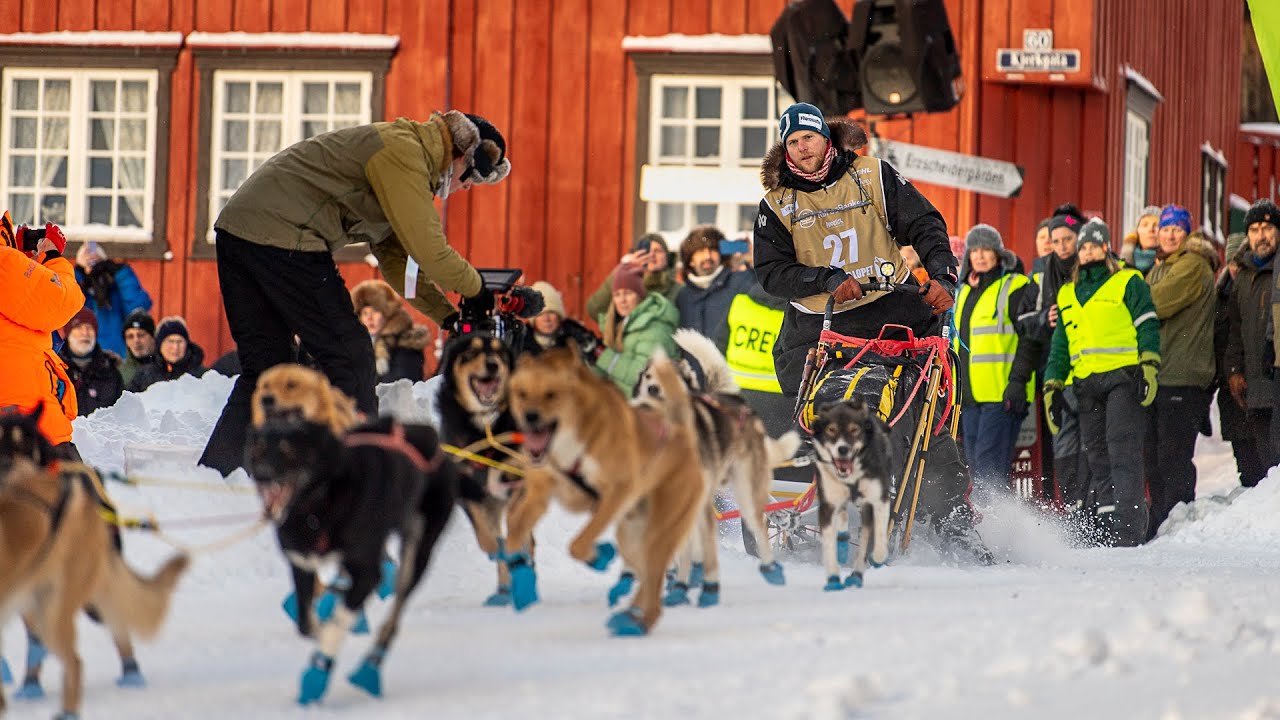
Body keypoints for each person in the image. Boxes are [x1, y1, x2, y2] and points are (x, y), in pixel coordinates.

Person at [198, 111, 511, 475]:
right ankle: (358, 474)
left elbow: (399, 264)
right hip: (286, 235)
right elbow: (430, 249)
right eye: (470, 178)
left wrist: (450, 316)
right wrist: (478, 291)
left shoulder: (403, 158)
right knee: (350, 355)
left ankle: (219, 473)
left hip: (240, 232)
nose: (466, 187)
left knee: (268, 366)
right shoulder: (403, 153)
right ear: (463, 154)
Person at [753, 103, 991, 561]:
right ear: (785, 150)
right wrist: (823, 279)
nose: (803, 148)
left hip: (891, 311)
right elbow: (770, 271)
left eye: (809, 137)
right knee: (824, 414)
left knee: (924, 417)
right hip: (819, 325)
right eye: (793, 142)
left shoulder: (873, 175)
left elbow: (925, 224)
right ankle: (829, 504)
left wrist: (942, 276)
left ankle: (949, 519)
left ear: (826, 137)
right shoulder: (776, 203)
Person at [1042, 218, 1159, 546]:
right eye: (1084, 246)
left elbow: (1147, 323)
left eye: (1094, 244)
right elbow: (1061, 345)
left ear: (1106, 247)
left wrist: (1150, 364)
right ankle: (1108, 526)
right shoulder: (1067, 292)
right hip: (1086, 383)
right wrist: (1052, 384)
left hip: (1123, 377)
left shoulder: (1127, 281)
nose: (1089, 250)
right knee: (1096, 454)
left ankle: (1129, 526)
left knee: (1122, 449)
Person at [1142, 204, 1218, 536]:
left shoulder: (1192, 264)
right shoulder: (1162, 266)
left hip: (1183, 373)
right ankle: (1162, 520)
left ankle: (1178, 519)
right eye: (1166, 228)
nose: (1170, 234)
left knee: (1173, 457)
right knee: (1155, 456)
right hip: (1163, 373)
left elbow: (1151, 303)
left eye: (1177, 228)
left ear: (1188, 233)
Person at [953, 224, 1038, 496]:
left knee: (990, 467)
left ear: (998, 254)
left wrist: (1017, 383)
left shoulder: (1014, 287)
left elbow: (1028, 339)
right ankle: (984, 525)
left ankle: (996, 527)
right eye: (975, 250)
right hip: (969, 396)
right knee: (975, 467)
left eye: (986, 250)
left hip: (1001, 395)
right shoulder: (964, 291)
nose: (980, 256)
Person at [0, 211, 82, 449]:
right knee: (75, 484)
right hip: (26, 426)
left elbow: (20, 300)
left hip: (15, 421)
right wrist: (51, 256)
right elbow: (61, 301)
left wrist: (25, 260)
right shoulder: (4, 262)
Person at [1228, 200, 1280, 475]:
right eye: (1255, 229)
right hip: (1254, 383)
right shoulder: (1243, 276)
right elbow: (1234, 330)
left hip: (1276, 377)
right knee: (1264, 463)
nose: (1261, 235)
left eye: (1268, 228)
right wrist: (1234, 370)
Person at [1214, 233, 1266, 486]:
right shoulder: (1220, 295)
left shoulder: (1256, 289)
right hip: (1230, 386)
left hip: (1256, 381)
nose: (1235, 268)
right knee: (1244, 462)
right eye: (1232, 263)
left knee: (1263, 459)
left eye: (1239, 262)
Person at [595, 262, 678, 392]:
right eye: (617, 294)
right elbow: (608, 373)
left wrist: (602, 355)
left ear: (640, 296)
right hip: (621, 403)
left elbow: (643, 376)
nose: (622, 300)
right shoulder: (617, 325)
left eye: (628, 293)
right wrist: (590, 354)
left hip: (647, 407)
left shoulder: (655, 327)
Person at [674, 225, 755, 353]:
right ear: (690, 260)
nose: (708, 256)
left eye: (712, 250)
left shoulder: (738, 282)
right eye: (700, 251)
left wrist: (753, 262)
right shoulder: (682, 296)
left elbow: (766, 291)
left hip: (725, 370)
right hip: (690, 371)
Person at [73, 241, 153, 357]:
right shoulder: (79, 291)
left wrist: (121, 274)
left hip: (117, 357)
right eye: (87, 262)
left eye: (96, 262)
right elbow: (62, 305)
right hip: (82, 357)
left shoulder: (116, 291)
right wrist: (78, 276)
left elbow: (139, 307)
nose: (92, 268)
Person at [585, 232, 682, 321]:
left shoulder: (679, 291)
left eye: (657, 251)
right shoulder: (626, 288)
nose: (651, 255)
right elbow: (595, 309)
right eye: (646, 252)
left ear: (667, 257)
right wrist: (623, 270)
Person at [351, 279, 430, 384]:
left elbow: (401, 387)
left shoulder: (406, 345)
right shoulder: (357, 346)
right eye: (365, 313)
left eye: (375, 311)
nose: (369, 318)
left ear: (387, 313)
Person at [57, 307, 124, 416]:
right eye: (78, 327)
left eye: (89, 328)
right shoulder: (54, 369)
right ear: (68, 333)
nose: (85, 333)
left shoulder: (111, 372)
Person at [525, 280, 603, 360]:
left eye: (551, 312)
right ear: (533, 320)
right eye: (540, 314)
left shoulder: (578, 337)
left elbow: (603, 361)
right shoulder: (520, 343)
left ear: (559, 316)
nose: (546, 318)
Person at [127, 317, 207, 392]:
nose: (175, 347)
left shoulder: (201, 376)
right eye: (170, 341)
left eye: (180, 342)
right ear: (160, 345)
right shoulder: (144, 375)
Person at [119, 309, 157, 388]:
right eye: (130, 336)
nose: (136, 341)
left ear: (152, 337)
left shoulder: (166, 367)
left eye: (141, 335)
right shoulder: (120, 374)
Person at [1120, 205, 1163, 275]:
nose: (1150, 229)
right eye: (1145, 225)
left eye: (1156, 225)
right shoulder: (1121, 265)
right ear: (1137, 230)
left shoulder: (1170, 263)